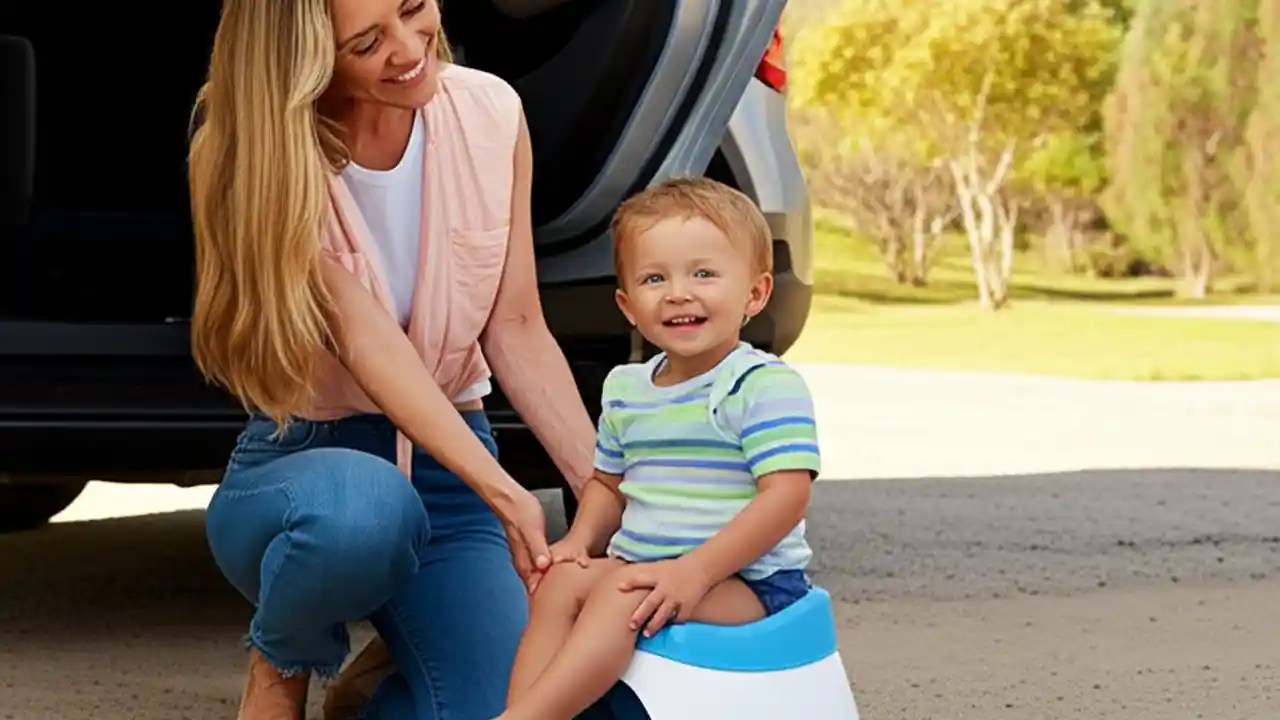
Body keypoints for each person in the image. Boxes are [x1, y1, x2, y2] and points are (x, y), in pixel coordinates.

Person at [185, 0, 598, 718]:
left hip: (450, 467)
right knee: (367, 511)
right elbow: (367, 341)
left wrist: (608, 489)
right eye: (368, 42)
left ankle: (372, 690)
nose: (411, 48)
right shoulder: (249, 152)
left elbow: (518, 325)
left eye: (413, 9)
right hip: (306, 468)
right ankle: (282, 660)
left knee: (518, 704)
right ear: (309, 58)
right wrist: (508, 494)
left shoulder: (491, 112)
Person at [497, 177, 823, 720]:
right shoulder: (628, 388)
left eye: (704, 274)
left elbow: (786, 497)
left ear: (755, 293)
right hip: (649, 565)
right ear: (628, 304)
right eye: (654, 278)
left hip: (750, 582)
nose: (678, 292)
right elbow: (608, 484)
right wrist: (579, 540)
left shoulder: (761, 385)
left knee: (621, 595)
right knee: (563, 583)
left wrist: (694, 571)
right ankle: (523, 708)